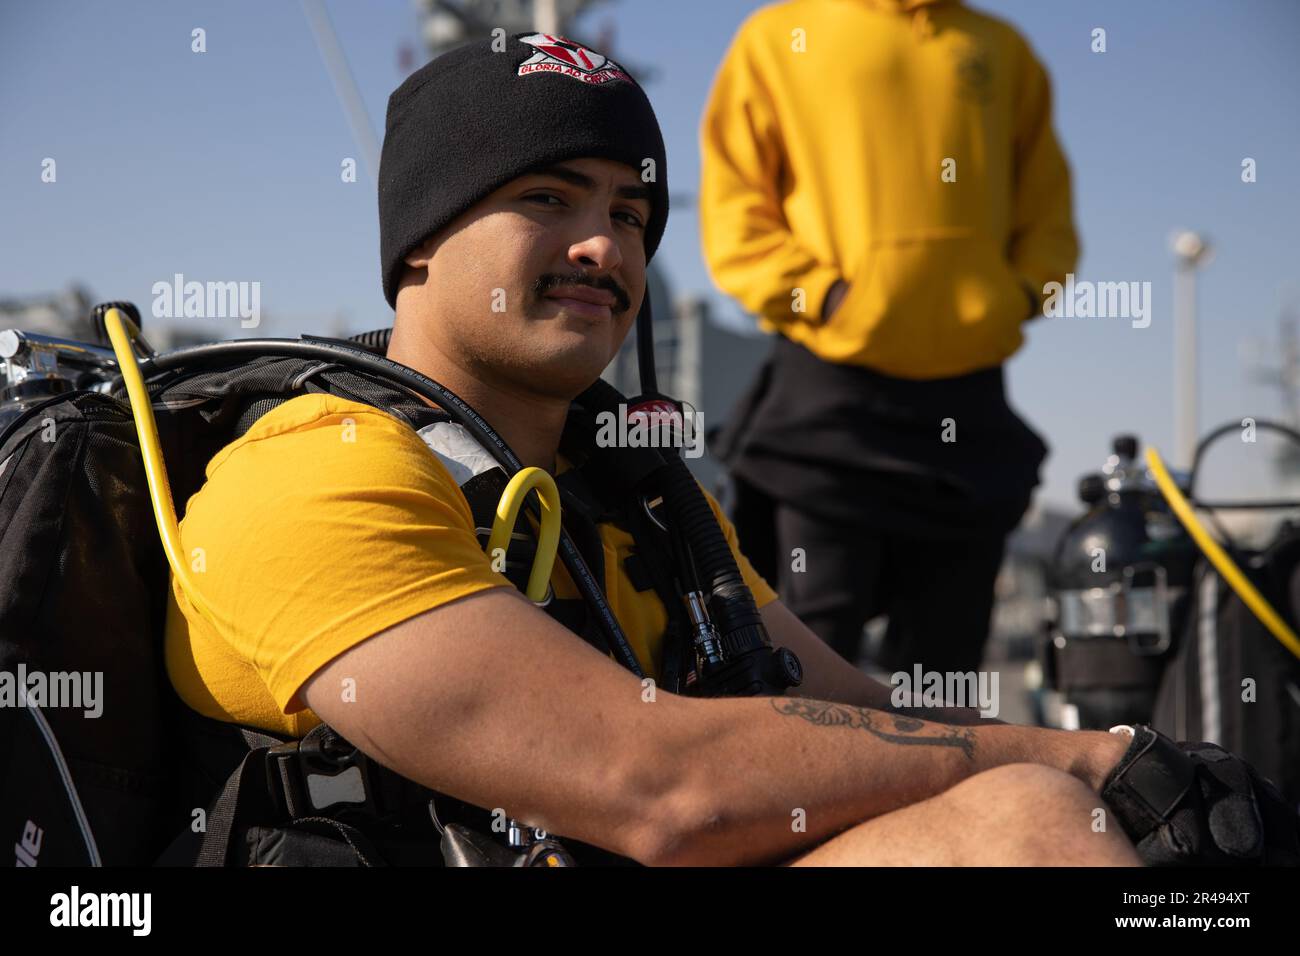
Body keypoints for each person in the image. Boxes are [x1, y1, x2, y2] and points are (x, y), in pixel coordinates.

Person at [162, 33, 1285, 867]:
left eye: (631, 212)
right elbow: (654, 783)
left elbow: (861, 710)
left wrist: (1144, 765)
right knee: (1034, 812)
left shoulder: (634, 506)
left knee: (1048, 826)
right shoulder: (316, 475)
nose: (603, 243)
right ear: (416, 244)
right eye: (546, 197)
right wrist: (1072, 764)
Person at [700, 0, 1078, 674]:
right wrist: (824, 295)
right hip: (828, 397)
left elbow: (1046, 208)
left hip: (970, 401)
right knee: (813, 651)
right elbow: (735, 206)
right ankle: (809, 782)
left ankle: (956, 784)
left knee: (947, 665)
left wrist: (1017, 296)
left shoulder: (1002, 49)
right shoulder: (778, 38)